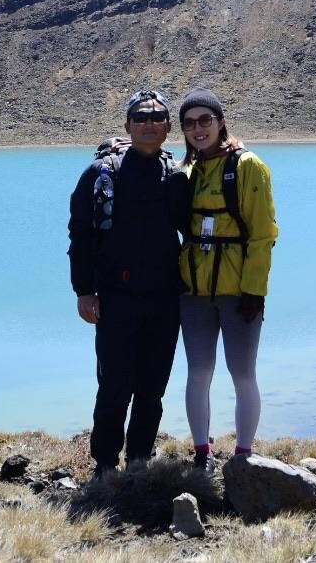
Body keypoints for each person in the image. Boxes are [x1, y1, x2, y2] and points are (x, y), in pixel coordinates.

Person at [67, 89, 190, 477]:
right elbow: (80, 235)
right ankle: (105, 463)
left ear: (169, 126)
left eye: (157, 117)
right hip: (116, 299)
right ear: (127, 126)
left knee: (153, 387)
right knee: (115, 386)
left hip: (166, 299)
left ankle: (139, 459)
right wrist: (84, 291)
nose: (149, 124)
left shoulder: (177, 176)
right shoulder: (101, 174)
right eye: (141, 117)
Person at [175, 88, 279, 469]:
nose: (198, 129)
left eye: (205, 120)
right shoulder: (188, 170)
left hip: (239, 293)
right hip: (195, 292)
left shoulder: (249, 167)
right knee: (198, 373)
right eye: (189, 123)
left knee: (242, 374)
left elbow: (263, 234)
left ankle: (244, 455)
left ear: (220, 122)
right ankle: (202, 451)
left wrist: (255, 290)